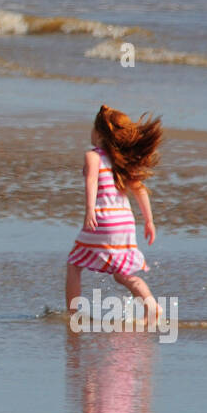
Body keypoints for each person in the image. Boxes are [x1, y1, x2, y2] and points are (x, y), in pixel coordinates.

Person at [65, 105, 163, 323]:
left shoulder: (93, 156)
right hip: (125, 222)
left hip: (103, 219)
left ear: (99, 132)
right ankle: (152, 306)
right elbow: (139, 189)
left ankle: (73, 313)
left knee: (74, 264)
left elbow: (91, 182)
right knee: (122, 272)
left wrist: (90, 210)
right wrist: (149, 221)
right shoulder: (121, 161)